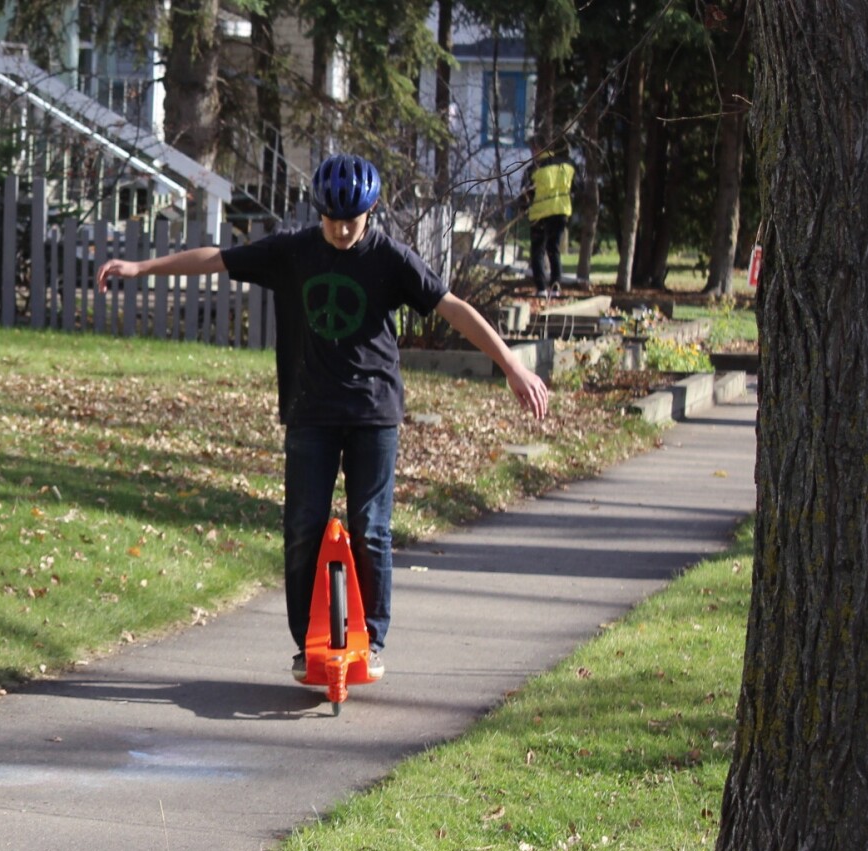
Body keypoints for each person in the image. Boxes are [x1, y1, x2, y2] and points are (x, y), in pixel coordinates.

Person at [95, 153, 548, 681]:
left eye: (351, 219)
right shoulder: (293, 250)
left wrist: (511, 365)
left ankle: (371, 640)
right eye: (331, 218)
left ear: (371, 210)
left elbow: (452, 308)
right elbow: (218, 258)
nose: (340, 229)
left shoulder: (392, 258)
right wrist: (141, 268)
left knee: (371, 529)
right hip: (309, 410)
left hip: (374, 413)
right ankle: (307, 643)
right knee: (303, 528)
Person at [521, 142, 577, 299]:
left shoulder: (534, 169)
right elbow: (576, 187)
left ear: (538, 149)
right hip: (560, 212)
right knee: (554, 249)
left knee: (538, 251)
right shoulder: (568, 166)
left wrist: (523, 208)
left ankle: (541, 289)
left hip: (540, 215)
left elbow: (525, 194)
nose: (532, 153)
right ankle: (555, 286)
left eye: (533, 149)